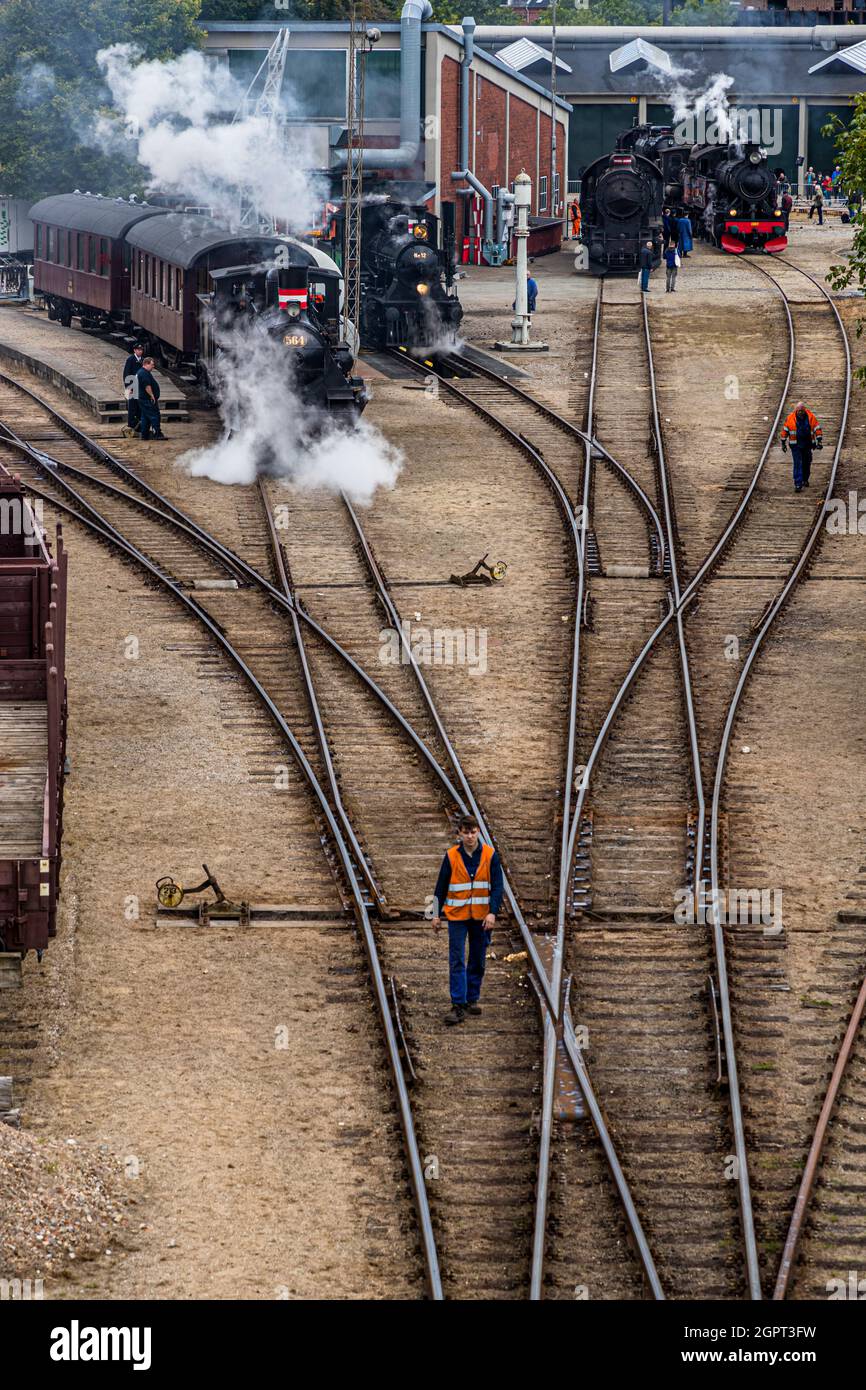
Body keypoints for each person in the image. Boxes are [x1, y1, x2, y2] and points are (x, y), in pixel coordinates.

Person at [431, 814, 503, 1026]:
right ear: (459, 834)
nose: (470, 836)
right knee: (457, 959)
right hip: (457, 916)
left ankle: (472, 998)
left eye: (473, 832)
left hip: (481, 916)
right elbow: (440, 886)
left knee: (478, 959)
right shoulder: (451, 856)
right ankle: (458, 1003)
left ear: (478, 832)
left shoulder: (490, 855)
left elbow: (498, 887)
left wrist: (493, 912)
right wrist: (434, 915)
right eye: (466, 833)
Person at [780, 400, 823, 493]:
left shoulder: (811, 417)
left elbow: (817, 428)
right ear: (796, 410)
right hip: (795, 445)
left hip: (808, 444)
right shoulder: (790, 418)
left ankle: (805, 479)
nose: (800, 413)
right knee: (797, 463)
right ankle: (798, 484)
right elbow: (785, 430)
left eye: (802, 411)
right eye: (798, 411)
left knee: (807, 462)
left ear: (804, 410)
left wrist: (819, 441)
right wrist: (783, 443)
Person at [136, 356, 166, 441]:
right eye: (152, 365)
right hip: (147, 399)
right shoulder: (143, 373)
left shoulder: (143, 372)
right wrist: (152, 395)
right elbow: (147, 386)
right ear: (146, 364)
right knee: (154, 415)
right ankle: (157, 433)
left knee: (145, 417)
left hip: (143, 399)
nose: (153, 366)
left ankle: (144, 435)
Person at [122, 342, 144, 438]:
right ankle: (131, 424)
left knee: (139, 406)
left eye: (141, 350)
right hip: (132, 386)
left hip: (140, 387)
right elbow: (126, 373)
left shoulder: (142, 360)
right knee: (132, 406)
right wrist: (128, 387)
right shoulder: (130, 359)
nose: (140, 351)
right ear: (135, 350)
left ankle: (139, 425)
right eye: (138, 350)